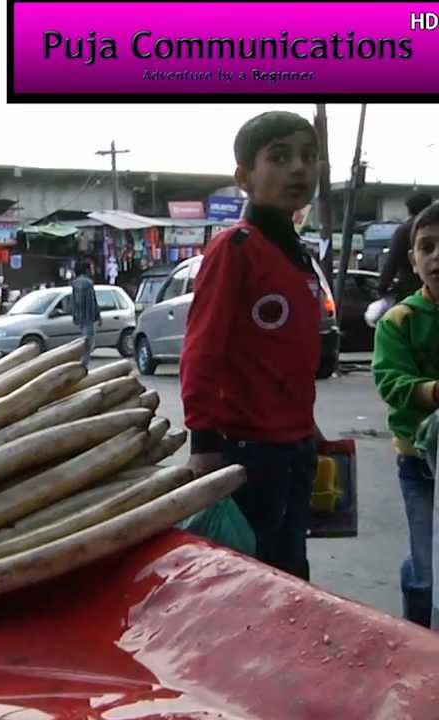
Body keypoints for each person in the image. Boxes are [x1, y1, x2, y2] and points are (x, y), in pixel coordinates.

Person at [182, 110, 325, 580]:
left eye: (309, 157)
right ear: (243, 177)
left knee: (291, 574)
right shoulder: (236, 247)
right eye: (280, 157)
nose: (299, 169)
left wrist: (308, 428)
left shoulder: (299, 252)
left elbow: (287, 357)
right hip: (247, 452)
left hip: (296, 447)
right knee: (247, 582)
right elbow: (202, 348)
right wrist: (203, 443)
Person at [371, 201, 439, 628]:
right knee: (427, 560)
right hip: (419, 463)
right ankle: (417, 634)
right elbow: (392, 383)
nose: (437, 257)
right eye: (427, 247)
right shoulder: (400, 320)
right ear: (413, 260)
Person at [379, 192, 434, 300]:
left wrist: (383, 286)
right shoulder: (433, 228)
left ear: (409, 210)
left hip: (409, 289)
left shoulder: (403, 231)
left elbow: (392, 261)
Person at [70, 259, 100, 369]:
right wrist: (97, 315)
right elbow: (92, 301)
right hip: (88, 317)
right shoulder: (88, 283)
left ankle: (81, 363)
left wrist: (74, 316)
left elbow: (73, 301)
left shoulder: (75, 283)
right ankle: (83, 365)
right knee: (88, 343)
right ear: (87, 270)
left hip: (79, 317)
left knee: (83, 340)